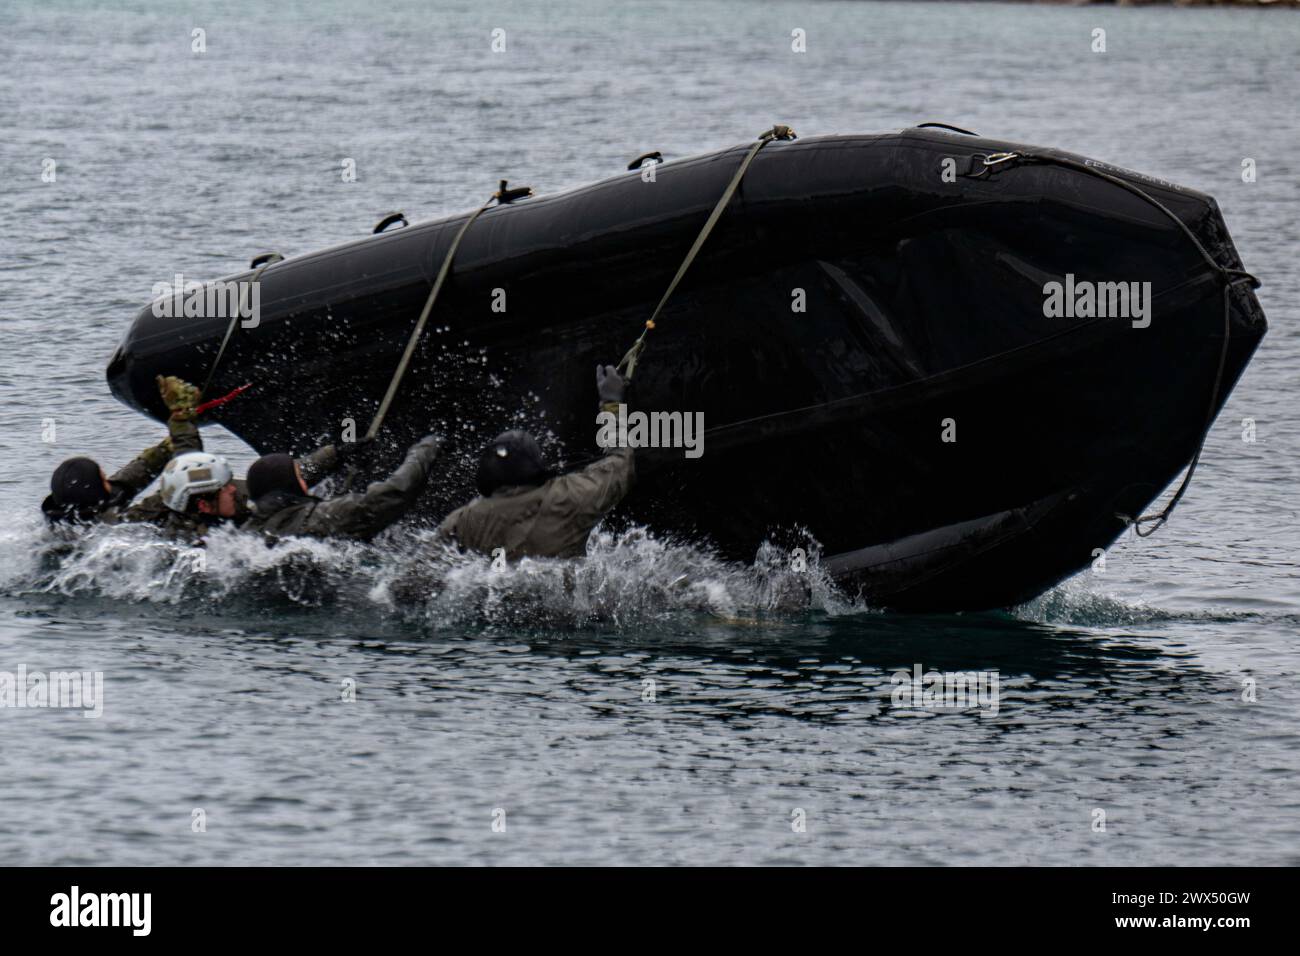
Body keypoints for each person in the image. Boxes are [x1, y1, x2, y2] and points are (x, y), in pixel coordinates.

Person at [437, 364, 634, 561]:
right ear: (536, 466)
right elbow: (620, 463)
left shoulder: (463, 522)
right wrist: (611, 402)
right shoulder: (568, 496)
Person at [41, 376, 202, 525]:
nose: (109, 480)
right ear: (98, 491)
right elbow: (187, 481)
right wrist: (182, 417)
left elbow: (124, 484)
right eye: (104, 479)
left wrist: (169, 445)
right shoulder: (122, 525)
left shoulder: (70, 518)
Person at [240, 433, 442, 541]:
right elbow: (393, 495)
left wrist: (338, 453)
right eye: (300, 476)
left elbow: (295, 474)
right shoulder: (322, 518)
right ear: (289, 486)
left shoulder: (251, 526)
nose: (305, 478)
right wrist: (425, 450)